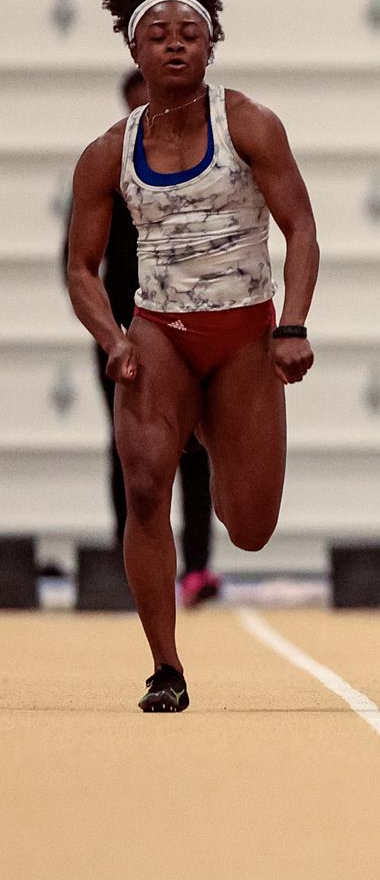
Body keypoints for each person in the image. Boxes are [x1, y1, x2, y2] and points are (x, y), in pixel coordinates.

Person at [66, 0, 320, 712]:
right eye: (160, 34)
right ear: (135, 51)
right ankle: (165, 668)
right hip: (158, 332)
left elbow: (301, 228)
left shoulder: (247, 123)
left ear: (210, 47)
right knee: (145, 486)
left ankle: (215, 423)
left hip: (243, 333)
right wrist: (113, 337)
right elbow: (80, 267)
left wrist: (293, 325)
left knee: (249, 528)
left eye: (190, 32)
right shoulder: (109, 151)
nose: (175, 43)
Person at [65, 67, 220, 607]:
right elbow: (80, 264)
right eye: (145, 103)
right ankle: (127, 556)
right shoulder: (106, 162)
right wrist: (111, 336)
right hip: (126, 328)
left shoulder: (207, 162)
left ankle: (199, 566)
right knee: (130, 450)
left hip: (192, 322)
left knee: (197, 448)